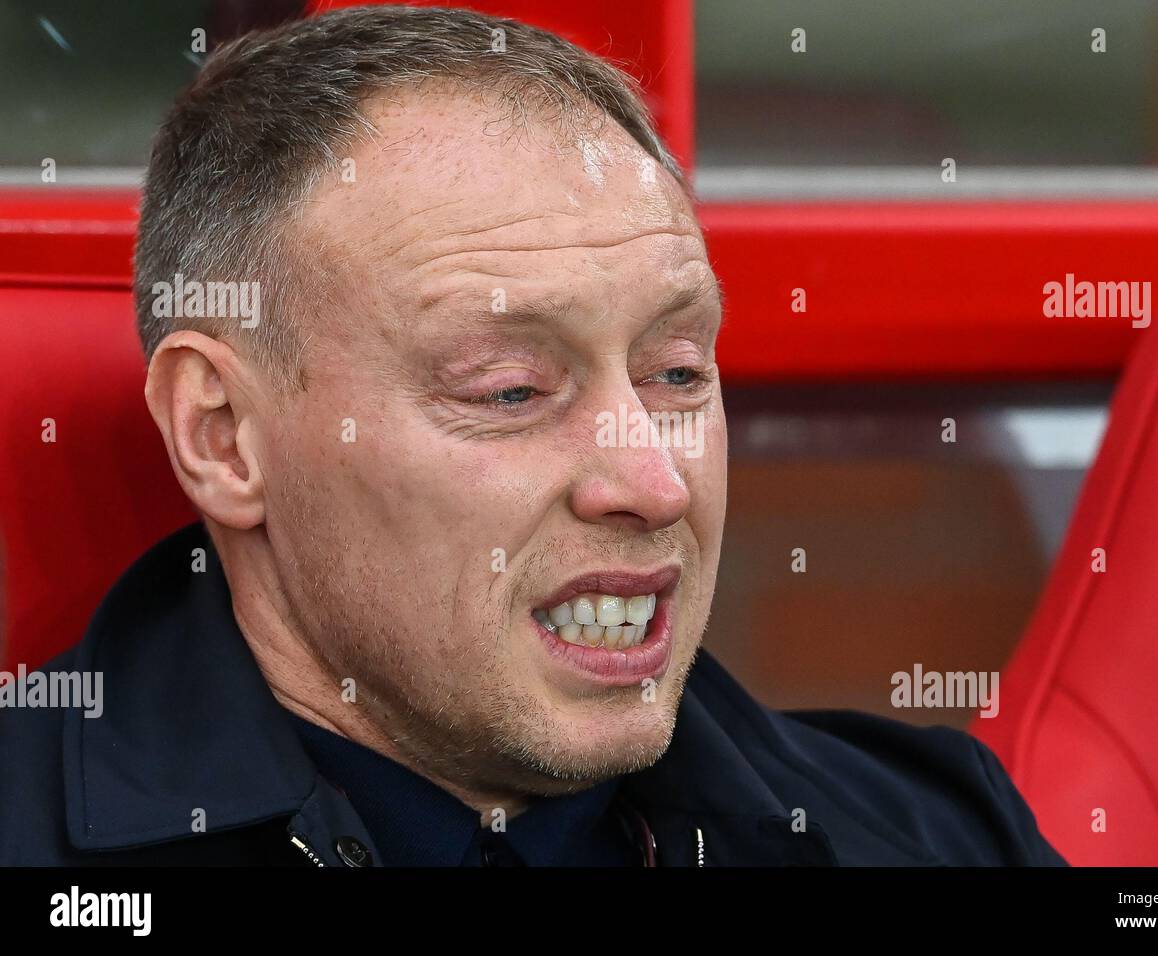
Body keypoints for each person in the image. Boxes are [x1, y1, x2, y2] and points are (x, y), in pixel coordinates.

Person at [0, 5, 1065, 866]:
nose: (653, 481)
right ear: (224, 436)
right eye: (510, 390)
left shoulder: (937, 830)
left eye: (678, 372)